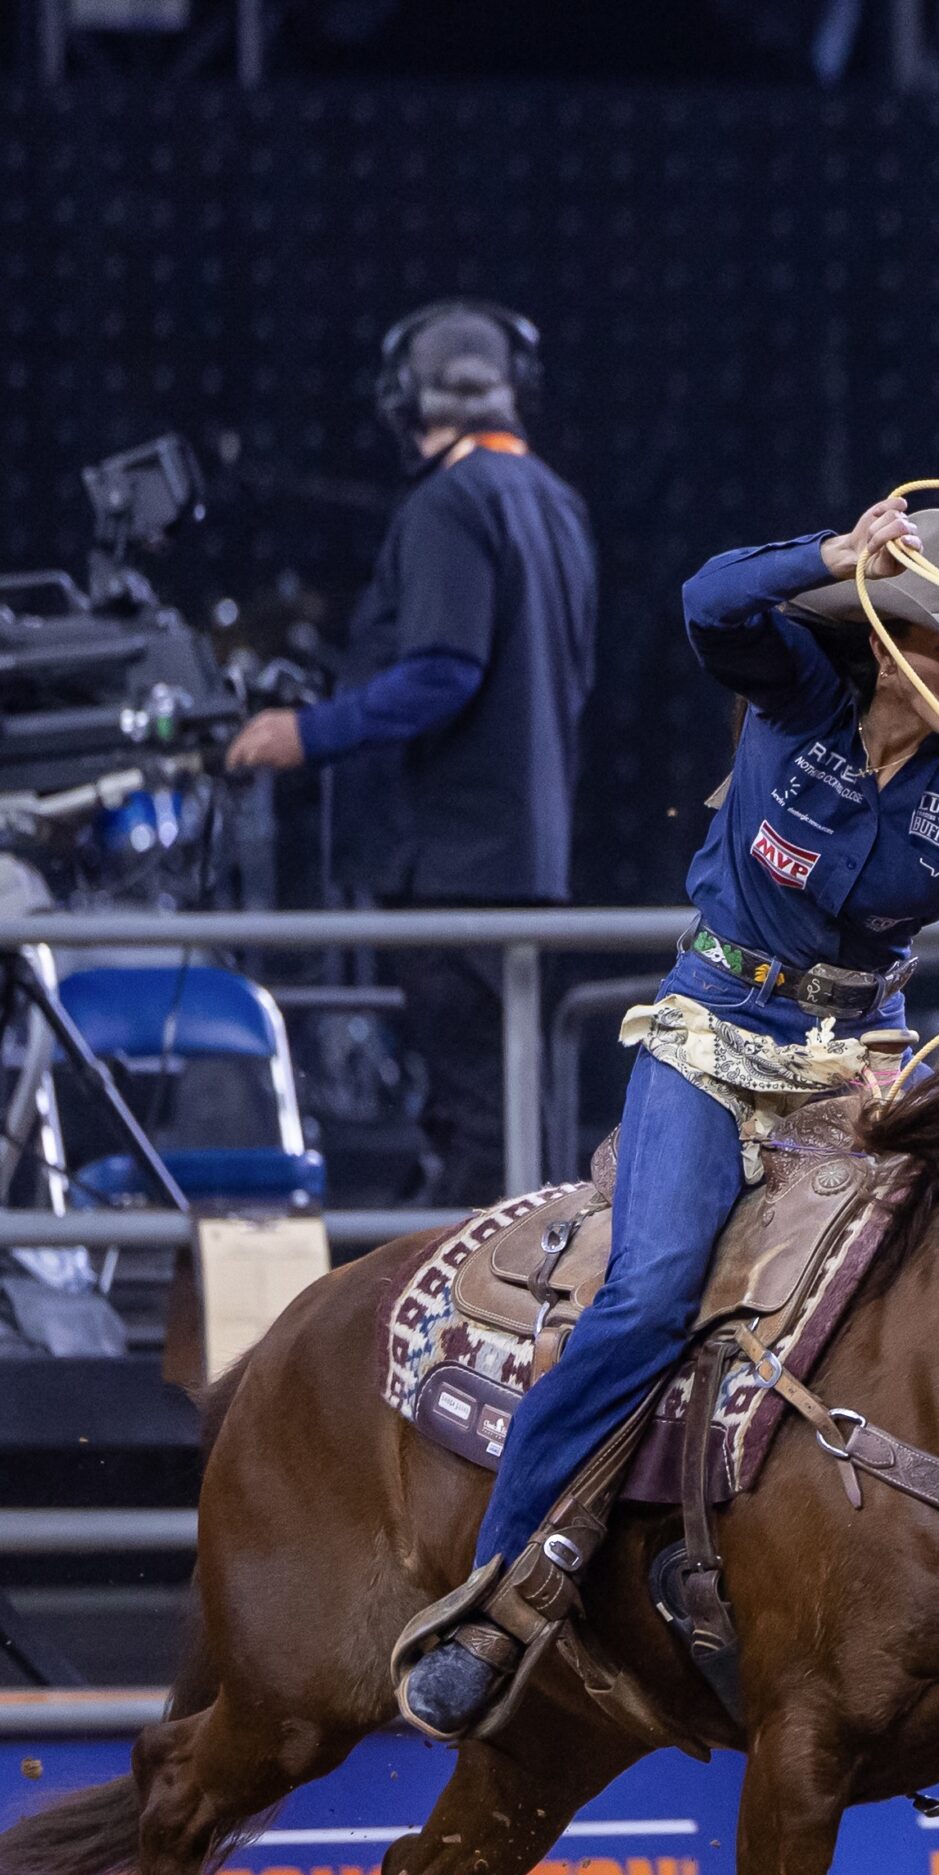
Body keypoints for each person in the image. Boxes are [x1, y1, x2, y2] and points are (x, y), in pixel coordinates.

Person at [396, 496, 939, 1739]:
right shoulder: (796, 695)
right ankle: (501, 1585)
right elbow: (709, 601)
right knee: (651, 1289)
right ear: (890, 642)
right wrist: (831, 557)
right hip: (715, 1031)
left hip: (862, 1061)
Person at [227, 301, 597, 1206]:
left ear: (405, 401)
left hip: (449, 867)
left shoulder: (449, 502)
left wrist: (305, 733)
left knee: (482, 1126)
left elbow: (441, 672)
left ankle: (481, 1291)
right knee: (506, 1107)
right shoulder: (555, 501)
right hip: (520, 863)